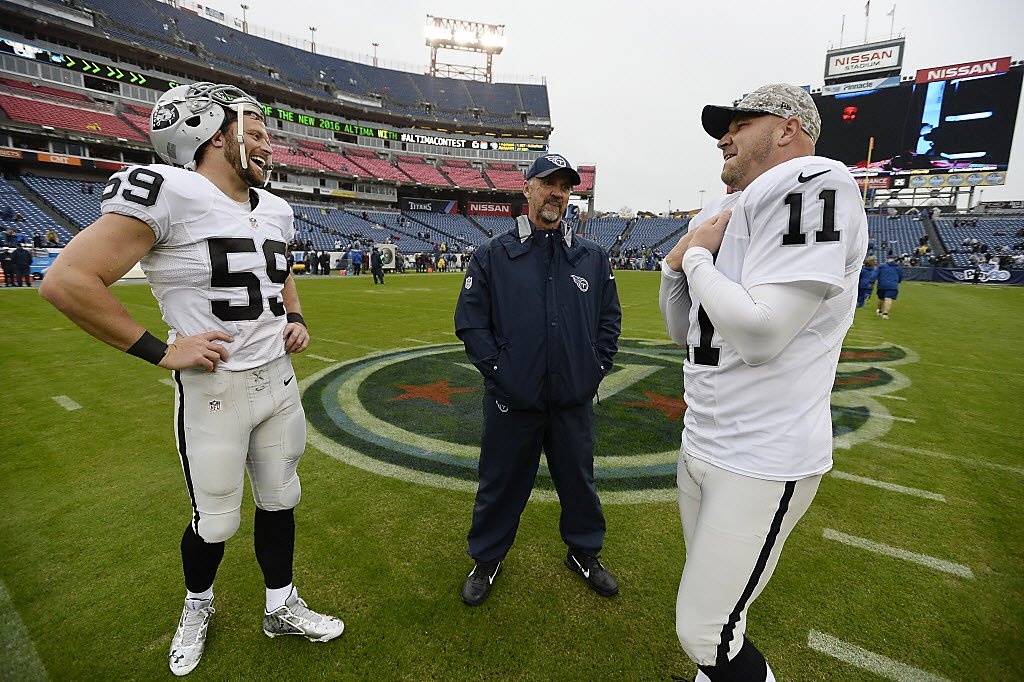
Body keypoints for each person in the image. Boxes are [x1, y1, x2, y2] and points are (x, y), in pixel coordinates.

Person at [39, 81, 344, 677]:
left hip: (277, 382)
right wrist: (161, 352)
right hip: (216, 389)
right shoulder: (170, 191)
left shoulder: (274, 207)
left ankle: (279, 605)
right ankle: (197, 606)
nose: (268, 147)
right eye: (254, 133)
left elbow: (272, 270)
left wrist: (296, 317)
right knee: (217, 519)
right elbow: (67, 280)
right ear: (212, 132)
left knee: (281, 498)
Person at [659, 84, 867, 682]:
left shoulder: (815, 179)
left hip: (762, 455)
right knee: (725, 614)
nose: (724, 136)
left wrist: (695, 260)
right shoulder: (723, 207)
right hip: (702, 440)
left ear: (786, 129)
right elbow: (682, 329)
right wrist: (677, 268)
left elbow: (762, 335)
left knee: (703, 630)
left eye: (739, 122)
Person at [454, 153, 622, 606]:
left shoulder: (591, 257)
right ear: (526, 188)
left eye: (565, 187)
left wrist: (592, 369)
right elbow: (471, 324)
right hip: (513, 401)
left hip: (572, 401)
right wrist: (503, 374)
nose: (557, 194)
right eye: (548, 183)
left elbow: (609, 321)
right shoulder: (493, 254)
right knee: (500, 483)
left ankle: (584, 552)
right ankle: (487, 558)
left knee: (578, 482)